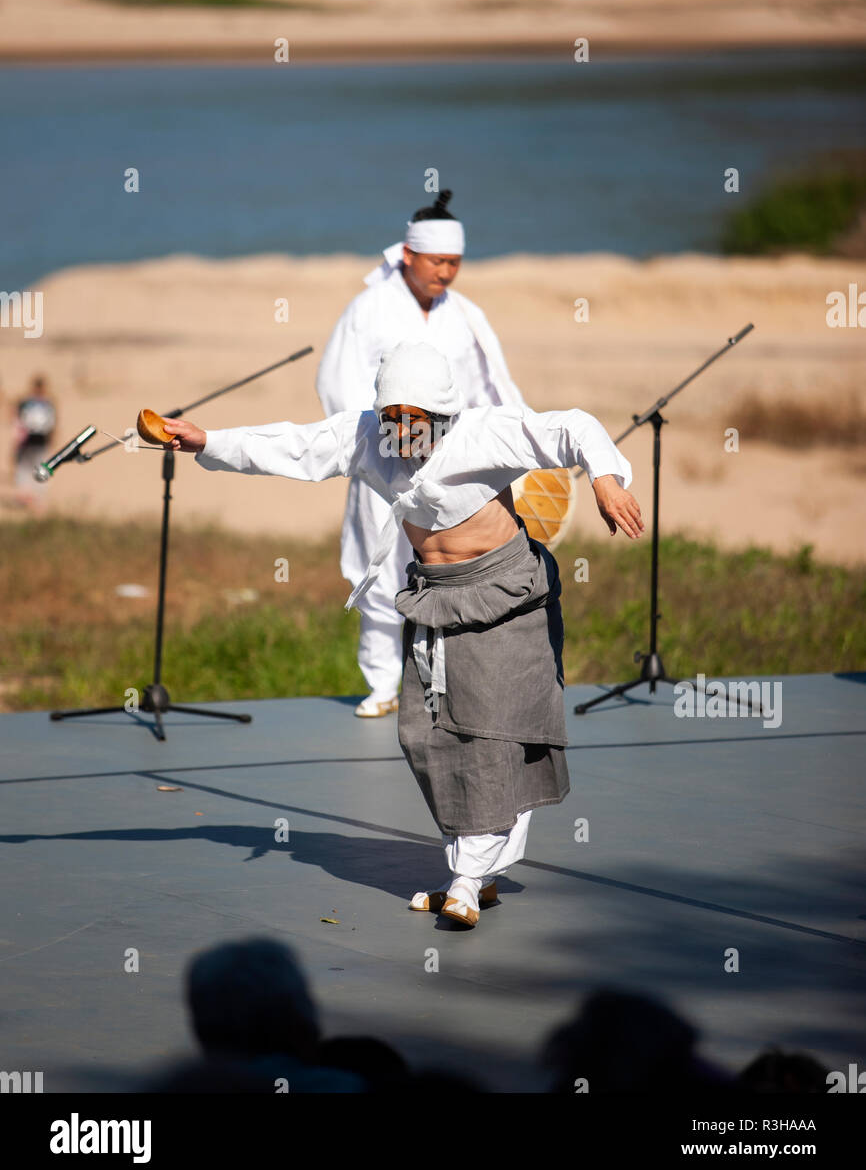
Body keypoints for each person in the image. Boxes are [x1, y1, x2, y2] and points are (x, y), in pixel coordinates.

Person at [161, 342, 643, 929]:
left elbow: (572, 426)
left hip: (506, 596)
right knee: (426, 732)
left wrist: (608, 480)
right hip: (435, 596)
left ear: (441, 416)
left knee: (494, 734)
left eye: (412, 420)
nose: (400, 430)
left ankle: (467, 879)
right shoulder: (368, 437)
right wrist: (207, 441)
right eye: (392, 417)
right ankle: (477, 872)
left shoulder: (484, 433)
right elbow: (293, 445)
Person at [316, 189, 524, 718]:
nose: (448, 273)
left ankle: (450, 682)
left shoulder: (465, 316)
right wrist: (384, 445)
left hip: (453, 468)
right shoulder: (368, 309)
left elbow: (487, 388)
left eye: (455, 263)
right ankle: (383, 683)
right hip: (387, 460)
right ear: (409, 254)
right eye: (438, 262)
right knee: (381, 569)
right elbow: (338, 383)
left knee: (454, 571)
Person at [11, 374, 56, 509]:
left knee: (37, 468)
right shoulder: (31, 403)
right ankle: (28, 497)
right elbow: (18, 423)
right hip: (28, 443)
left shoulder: (45, 403)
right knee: (26, 469)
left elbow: (52, 425)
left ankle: (35, 499)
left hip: (38, 443)